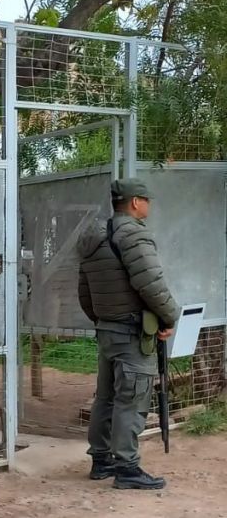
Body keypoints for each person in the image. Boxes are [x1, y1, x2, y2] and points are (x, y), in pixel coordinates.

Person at [77, 177, 179, 490]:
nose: (149, 204)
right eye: (146, 199)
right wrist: (170, 316)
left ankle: (101, 460)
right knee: (131, 399)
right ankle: (127, 468)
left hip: (107, 330)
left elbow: (85, 292)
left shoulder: (94, 237)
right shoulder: (133, 236)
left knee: (106, 398)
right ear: (135, 202)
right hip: (132, 332)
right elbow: (151, 283)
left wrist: (103, 319)